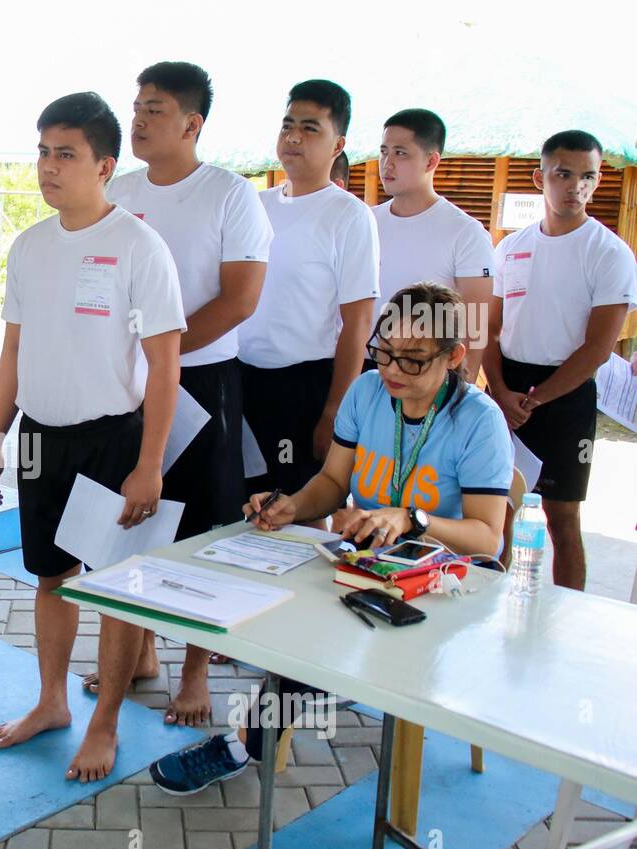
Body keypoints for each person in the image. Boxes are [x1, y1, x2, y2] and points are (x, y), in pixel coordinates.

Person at [150, 283, 513, 794]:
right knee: (278, 608)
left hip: (438, 582)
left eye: (411, 360)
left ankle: (242, 744)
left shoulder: (478, 420)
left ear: (454, 356)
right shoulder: (367, 392)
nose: (390, 369)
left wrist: (412, 519)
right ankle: (274, 719)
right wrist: (291, 506)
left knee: (318, 634)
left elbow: (487, 539)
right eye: (384, 351)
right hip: (362, 565)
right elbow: (333, 483)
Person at [0, 92, 184, 781]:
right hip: (41, 435)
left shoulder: (137, 245)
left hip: (114, 438)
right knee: (49, 578)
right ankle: (52, 703)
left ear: (104, 165)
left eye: (65, 154)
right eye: (42, 151)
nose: (48, 166)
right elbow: (12, 349)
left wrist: (150, 463)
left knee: (118, 587)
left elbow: (164, 364)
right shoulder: (30, 246)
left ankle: (105, 724)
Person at [105, 62, 270, 728]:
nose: (139, 119)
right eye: (137, 105)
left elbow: (239, 299)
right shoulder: (114, 189)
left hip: (202, 379)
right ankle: (138, 653)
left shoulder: (230, 195)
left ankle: (194, 673)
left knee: (205, 528)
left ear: (192, 123)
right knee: (133, 517)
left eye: (156, 109)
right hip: (124, 381)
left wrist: (161, 356)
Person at [483, 129, 637, 591]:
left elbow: (596, 347)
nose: (576, 187)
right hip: (507, 385)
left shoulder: (609, 252)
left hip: (566, 393)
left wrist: (538, 398)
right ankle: (489, 613)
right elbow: (488, 329)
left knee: (563, 519)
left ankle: (570, 622)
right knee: (496, 511)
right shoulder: (510, 246)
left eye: (587, 177)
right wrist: (500, 389)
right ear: (540, 178)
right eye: (563, 174)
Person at [235, 80, 380, 498]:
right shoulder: (255, 205)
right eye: (288, 125)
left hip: (303, 388)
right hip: (241, 378)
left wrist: (335, 410)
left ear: (338, 144)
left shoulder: (349, 216)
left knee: (297, 507)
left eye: (311, 128)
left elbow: (359, 323)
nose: (294, 137)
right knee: (240, 504)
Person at [375, 109, 493, 378]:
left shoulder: (466, 232)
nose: (387, 163)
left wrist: (461, 393)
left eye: (400, 153)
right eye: (384, 151)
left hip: (426, 372)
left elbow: (474, 326)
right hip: (369, 365)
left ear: (431, 161)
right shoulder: (367, 222)